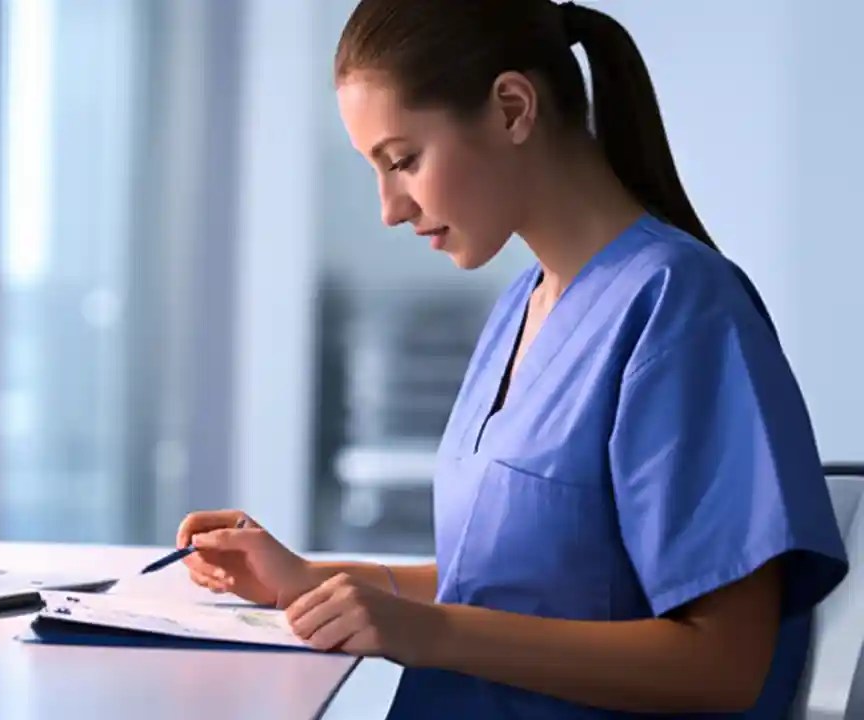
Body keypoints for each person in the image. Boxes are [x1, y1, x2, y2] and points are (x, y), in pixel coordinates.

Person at [176, 0, 850, 717]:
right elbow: (509, 584)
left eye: (403, 160)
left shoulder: (682, 308)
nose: (390, 208)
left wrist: (427, 633)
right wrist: (307, 578)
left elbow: (722, 667)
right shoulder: (524, 305)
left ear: (511, 107)